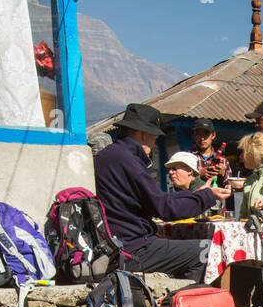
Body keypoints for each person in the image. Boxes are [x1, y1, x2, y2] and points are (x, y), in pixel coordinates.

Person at [94, 103, 231, 280]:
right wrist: (207, 196)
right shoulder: (130, 161)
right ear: (144, 133)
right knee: (208, 250)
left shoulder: (107, 156)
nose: (154, 142)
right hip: (132, 248)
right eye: (154, 137)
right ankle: (177, 304)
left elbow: (158, 200)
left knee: (181, 248)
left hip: (115, 245)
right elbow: (165, 208)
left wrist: (198, 194)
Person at [190, 118, 227, 185]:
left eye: (206, 134)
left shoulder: (222, 160)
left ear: (213, 135)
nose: (202, 138)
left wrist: (223, 174)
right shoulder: (187, 157)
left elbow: (230, 187)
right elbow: (178, 186)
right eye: (198, 134)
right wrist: (199, 174)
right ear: (194, 135)